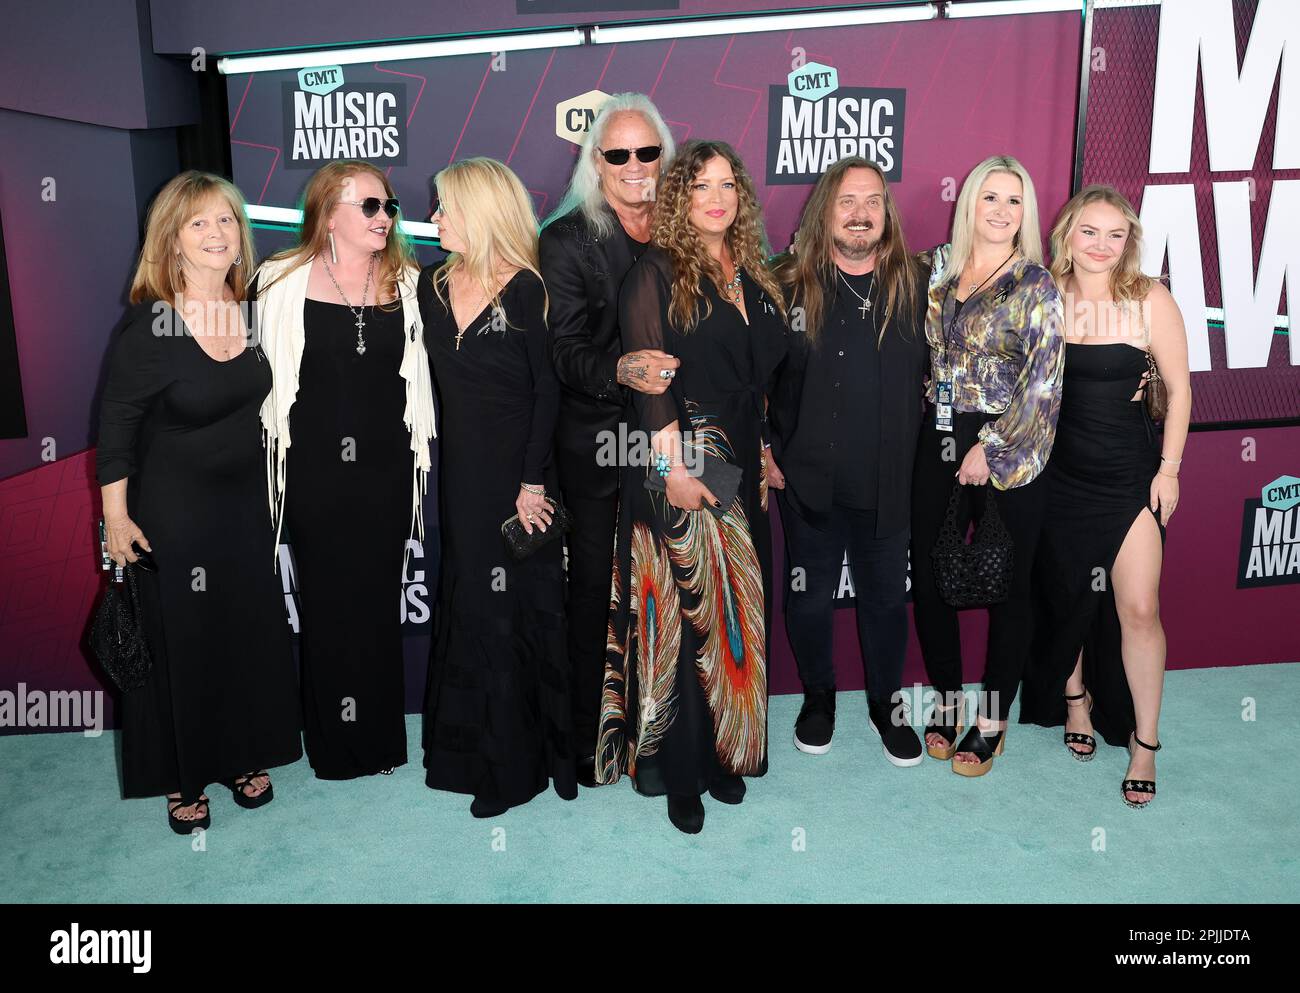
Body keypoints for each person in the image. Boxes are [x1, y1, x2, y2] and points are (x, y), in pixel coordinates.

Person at [96, 171, 301, 832]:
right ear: (172, 241)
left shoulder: (250, 310)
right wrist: (116, 518)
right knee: (185, 641)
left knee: (243, 631)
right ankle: (183, 776)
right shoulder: (152, 324)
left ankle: (241, 753)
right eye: (199, 223)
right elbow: (116, 428)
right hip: (174, 513)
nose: (217, 233)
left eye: (226, 219)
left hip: (244, 508)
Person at [597, 140, 788, 833]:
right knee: (683, 619)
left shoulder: (751, 268)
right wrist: (672, 471)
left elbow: (756, 380)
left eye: (728, 185)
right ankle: (680, 772)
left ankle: (724, 753)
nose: (717, 197)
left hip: (739, 462)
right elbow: (651, 384)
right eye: (702, 185)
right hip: (684, 457)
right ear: (680, 196)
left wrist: (763, 449)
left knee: (736, 611)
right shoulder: (655, 272)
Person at [252, 161, 436, 780]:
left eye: (389, 207)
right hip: (313, 472)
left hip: (387, 470)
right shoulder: (280, 282)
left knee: (379, 604)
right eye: (370, 207)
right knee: (328, 606)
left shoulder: (410, 284)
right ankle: (335, 747)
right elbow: (250, 377)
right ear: (329, 214)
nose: (385, 218)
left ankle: (381, 743)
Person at [1020, 184, 1190, 808]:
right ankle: (1075, 701)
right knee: (1066, 599)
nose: (1101, 245)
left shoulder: (1149, 298)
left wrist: (1169, 471)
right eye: (1089, 232)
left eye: (1115, 234)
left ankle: (1145, 742)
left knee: (1139, 608)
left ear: (1129, 242)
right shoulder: (1044, 295)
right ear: (1067, 235)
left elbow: (1180, 389)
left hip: (1128, 478)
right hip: (1056, 477)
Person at [419, 157, 576, 817]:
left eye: (445, 207)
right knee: (474, 610)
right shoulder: (430, 283)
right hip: (462, 480)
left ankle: (517, 767)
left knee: (514, 613)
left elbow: (547, 392)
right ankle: (471, 754)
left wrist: (533, 481)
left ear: (480, 213)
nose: (434, 217)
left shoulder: (527, 289)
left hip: (519, 482)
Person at [768, 156, 929, 765]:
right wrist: (761, 447)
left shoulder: (917, 284)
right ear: (824, 211)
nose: (861, 214)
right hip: (807, 477)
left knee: (886, 600)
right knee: (808, 597)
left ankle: (887, 707)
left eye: (872, 201)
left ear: (887, 212)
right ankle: (818, 699)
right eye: (847, 201)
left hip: (890, 481)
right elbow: (746, 373)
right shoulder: (785, 282)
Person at [539, 93, 680, 786]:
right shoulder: (567, 238)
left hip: (676, 436)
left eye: (646, 151)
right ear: (596, 163)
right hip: (600, 441)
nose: (634, 165)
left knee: (673, 582)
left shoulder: (686, 227)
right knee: (595, 589)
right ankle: (585, 743)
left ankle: (663, 735)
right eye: (618, 153)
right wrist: (620, 370)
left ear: (664, 157)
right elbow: (562, 351)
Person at [910, 155, 1065, 777]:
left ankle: (994, 719)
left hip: (1012, 437)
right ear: (969, 202)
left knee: (1010, 584)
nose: (1001, 211)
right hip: (939, 430)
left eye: (1014, 200)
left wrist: (991, 446)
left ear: (1027, 212)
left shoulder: (1035, 283)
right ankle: (948, 701)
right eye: (990, 197)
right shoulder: (936, 267)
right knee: (930, 572)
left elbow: (1045, 379)